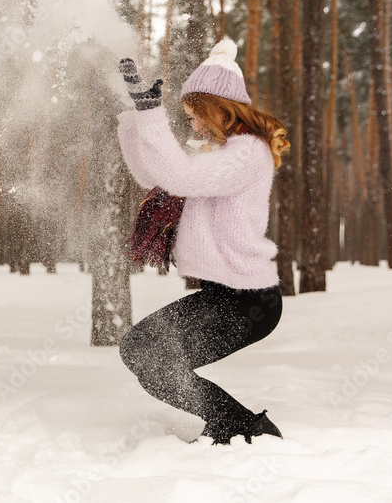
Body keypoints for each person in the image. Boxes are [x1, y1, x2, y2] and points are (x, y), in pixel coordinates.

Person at [115, 38, 291, 445]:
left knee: (153, 360)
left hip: (249, 302)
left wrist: (151, 116)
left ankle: (244, 428)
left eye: (196, 115)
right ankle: (234, 424)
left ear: (219, 107)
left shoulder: (248, 153)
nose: (193, 125)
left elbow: (180, 178)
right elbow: (159, 179)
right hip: (222, 296)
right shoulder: (219, 152)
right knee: (139, 350)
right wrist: (133, 122)